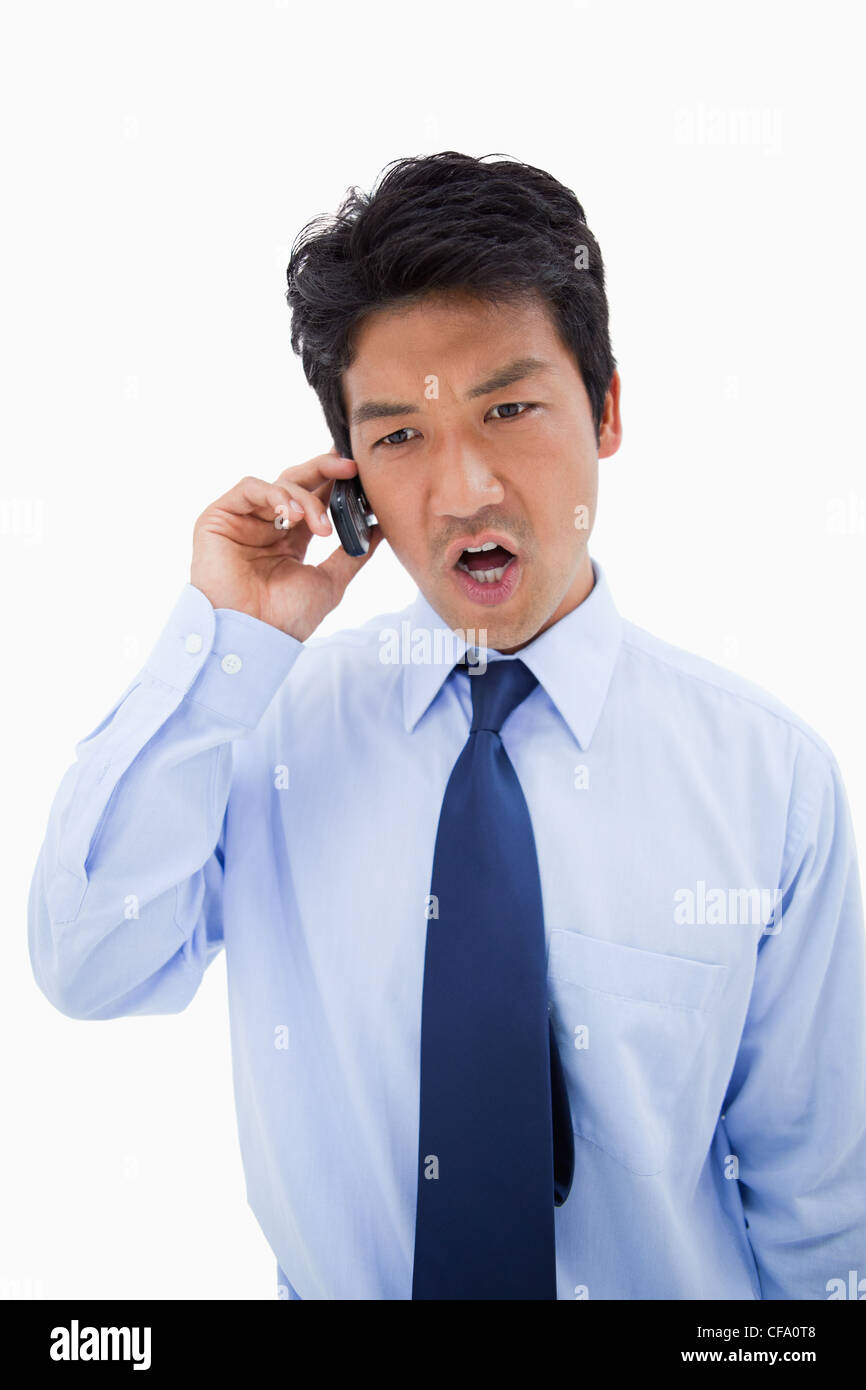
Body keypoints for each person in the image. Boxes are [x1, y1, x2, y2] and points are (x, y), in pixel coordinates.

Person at [28, 151, 866, 1300]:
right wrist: (229, 644)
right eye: (400, 437)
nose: (464, 486)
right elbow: (87, 959)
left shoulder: (768, 781)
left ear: (606, 407)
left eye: (509, 408)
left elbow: (822, 1217)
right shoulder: (268, 734)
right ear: (350, 478)